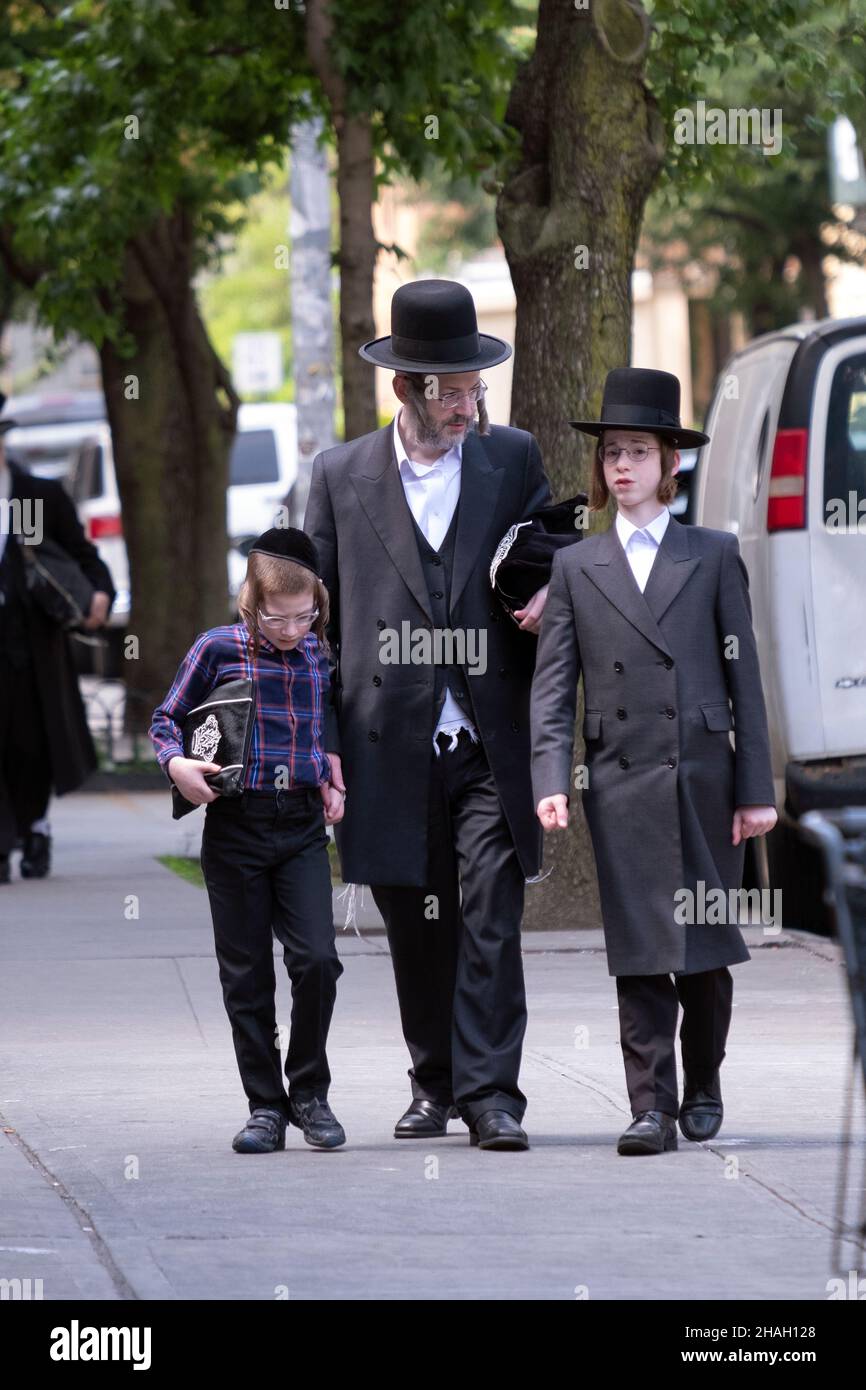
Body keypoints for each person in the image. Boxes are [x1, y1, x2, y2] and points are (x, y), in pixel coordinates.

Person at [305, 279, 553, 1151]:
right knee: (416, 916)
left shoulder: (512, 458)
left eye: (475, 385)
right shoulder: (338, 477)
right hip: (387, 740)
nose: (468, 403)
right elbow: (318, 629)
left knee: (489, 905)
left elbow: (549, 553)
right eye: (451, 389)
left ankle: (493, 1097)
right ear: (406, 388)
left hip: (488, 732)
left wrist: (550, 589)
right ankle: (433, 1081)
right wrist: (322, 749)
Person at [530, 368, 778, 1156]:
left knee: (701, 949)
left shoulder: (712, 554)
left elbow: (745, 675)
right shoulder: (575, 566)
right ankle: (650, 1107)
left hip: (703, 776)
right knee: (639, 946)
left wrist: (755, 788)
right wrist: (549, 777)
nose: (622, 466)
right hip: (620, 778)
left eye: (637, 450)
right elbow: (553, 684)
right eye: (610, 454)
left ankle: (703, 1084)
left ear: (671, 461)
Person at [148, 527, 347, 1154]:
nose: (290, 630)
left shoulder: (321, 653)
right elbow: (165, 718)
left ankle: (309, 1094)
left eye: (303, 616)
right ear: (249, 602)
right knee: (246, 974)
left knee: (317, 960)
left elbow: (329, 719)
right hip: (236, 826)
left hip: (300, 829)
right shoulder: (217, 648)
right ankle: (265, 1106)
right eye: (276, 618)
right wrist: (176, 763)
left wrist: (332, 771)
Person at [0, 393, 114, 884]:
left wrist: (101, 594)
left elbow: (83, 556)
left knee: (29, 743)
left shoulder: (32, 496)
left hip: (28, 643)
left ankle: (35, 828)